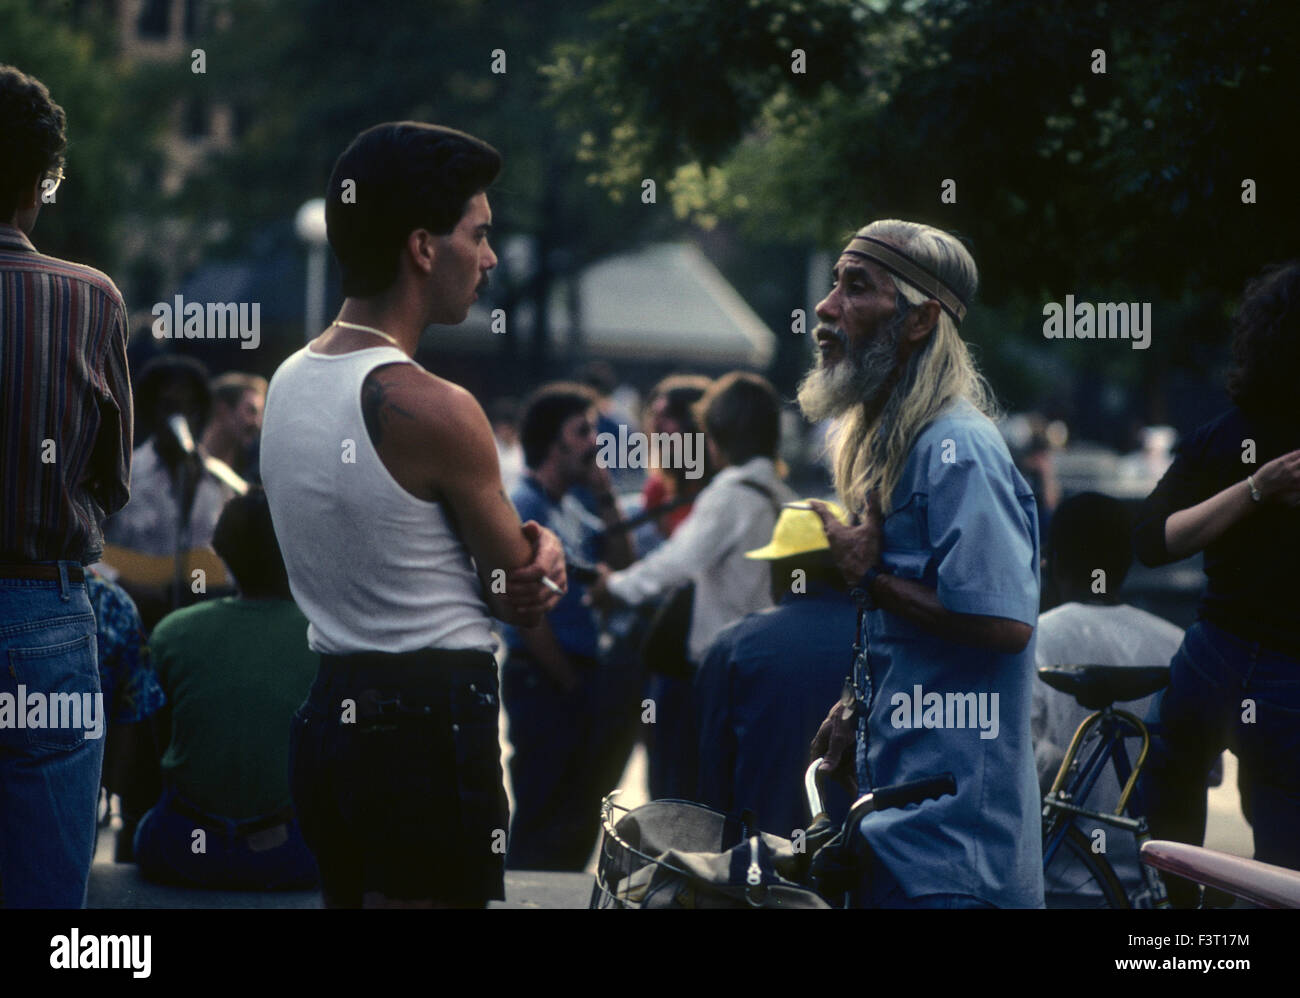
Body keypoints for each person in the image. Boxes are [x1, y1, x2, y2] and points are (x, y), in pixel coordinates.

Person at [259, 122, 565, 909]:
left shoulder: (288, 379)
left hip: (329, 714)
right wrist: (543, 546)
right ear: (424, 247)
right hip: (428, 731)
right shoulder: (439, 408)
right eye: (480, 234)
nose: (492, 258)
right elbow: (514, 591)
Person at [803, 219, 1042, 908]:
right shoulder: (890, 441)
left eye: (856, 287)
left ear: (918, 321)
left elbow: (1004, 623)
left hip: (956, 848)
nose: (826, 307)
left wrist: (870, 580)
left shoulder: (958, 449)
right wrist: (857, 704)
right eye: (834, 285)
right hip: (902, 823)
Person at [0, 64, 132, 909]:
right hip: (40, 617)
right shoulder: (89, 299)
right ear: (41, 183)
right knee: (47, 894)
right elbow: (111, 481)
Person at [1134, 260, 1300, 905]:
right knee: (1285, 862)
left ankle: (1186, 931)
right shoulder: (1226, 438)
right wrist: (1263, 489)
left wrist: (1252, 488)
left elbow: (1153, 541)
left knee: (1169, 788)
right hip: (1289, 675)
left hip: (1213, 655)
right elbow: (1152, 541)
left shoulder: (1224, 437)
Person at [589, 372, 796, 800]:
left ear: (718, 433)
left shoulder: (729, 493)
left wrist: (617, 586)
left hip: (706, 672)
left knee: (675, 796)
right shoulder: (781, 496)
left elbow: (676, 562)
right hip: (755, 669)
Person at [133, 488, 318, 889]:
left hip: (183, 847)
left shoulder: (173, 632)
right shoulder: (324, 637)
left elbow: (156, 746)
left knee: (147, 825)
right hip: (289, 853)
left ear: (221, 550)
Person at [501, 383, 636, 870]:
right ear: (552, 442)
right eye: (583, 431)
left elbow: (623, 565)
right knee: (542, 814)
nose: (596, 441)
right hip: (546, 680)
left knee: (570, 820)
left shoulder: (574, 504)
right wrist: (568, 681)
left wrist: (605, 497)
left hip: (571, 677)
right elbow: (528, 612)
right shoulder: (527, 505)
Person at [1032, 492, 1185, 904]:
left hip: (1055, 886)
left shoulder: (1034, 640)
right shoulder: (1176, 644)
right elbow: (1206, 775)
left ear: (1052, 559)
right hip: (1153, 887)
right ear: (1127, 561)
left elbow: (1023, 770)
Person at [694, 499, 857, 837]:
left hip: (761, 869)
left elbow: (708, 783)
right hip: (865, 866)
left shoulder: (733, 647)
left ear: (780, 570)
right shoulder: (887, 645)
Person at [101, 355, 245, 628]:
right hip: (132, 620)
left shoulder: (226, 483)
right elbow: (86, 552)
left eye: (189, 409)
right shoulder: (121, 475)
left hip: (204, 621)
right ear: (149, 412)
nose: (179, 419)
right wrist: (121, 582)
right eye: (168, 408)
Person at [201, 372, 267, 483]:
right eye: (251, 411)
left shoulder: (252, 470)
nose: (258, 423)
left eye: (260, 414)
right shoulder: (186, 460)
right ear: (223, 410)